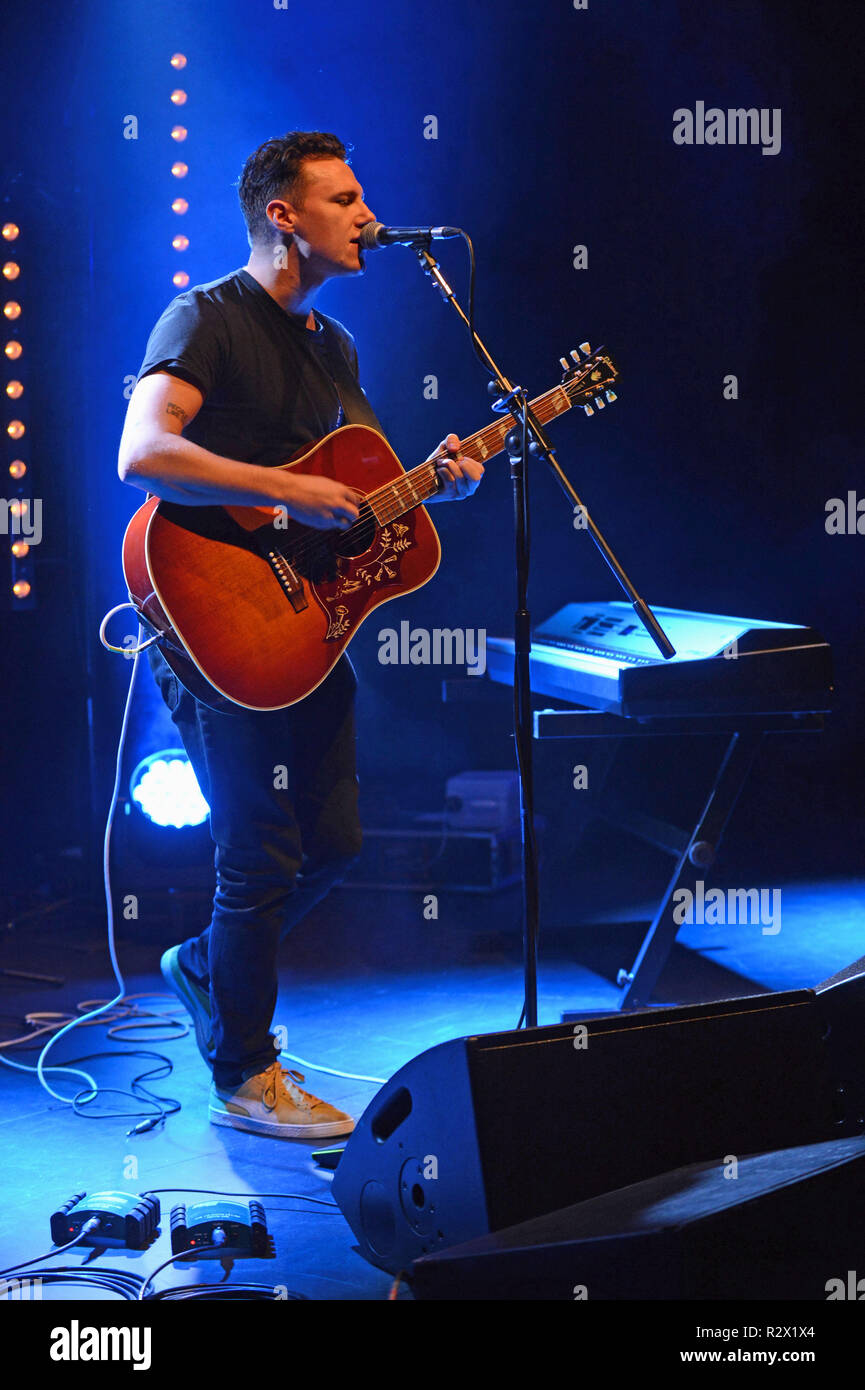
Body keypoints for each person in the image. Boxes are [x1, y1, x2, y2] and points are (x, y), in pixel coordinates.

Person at [117, 130, 484, 1140]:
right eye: (346, 198)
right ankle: (244, 1073)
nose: (369, 215)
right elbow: (142, 452)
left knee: (332, 843)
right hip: (219, 621)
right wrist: (289, 491)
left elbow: (355, 498)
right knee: (261, 854)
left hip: (308, 632)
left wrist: (439, 477)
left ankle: (202, 967)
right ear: (285, 216)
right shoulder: (206, 317)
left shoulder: (333, 346)